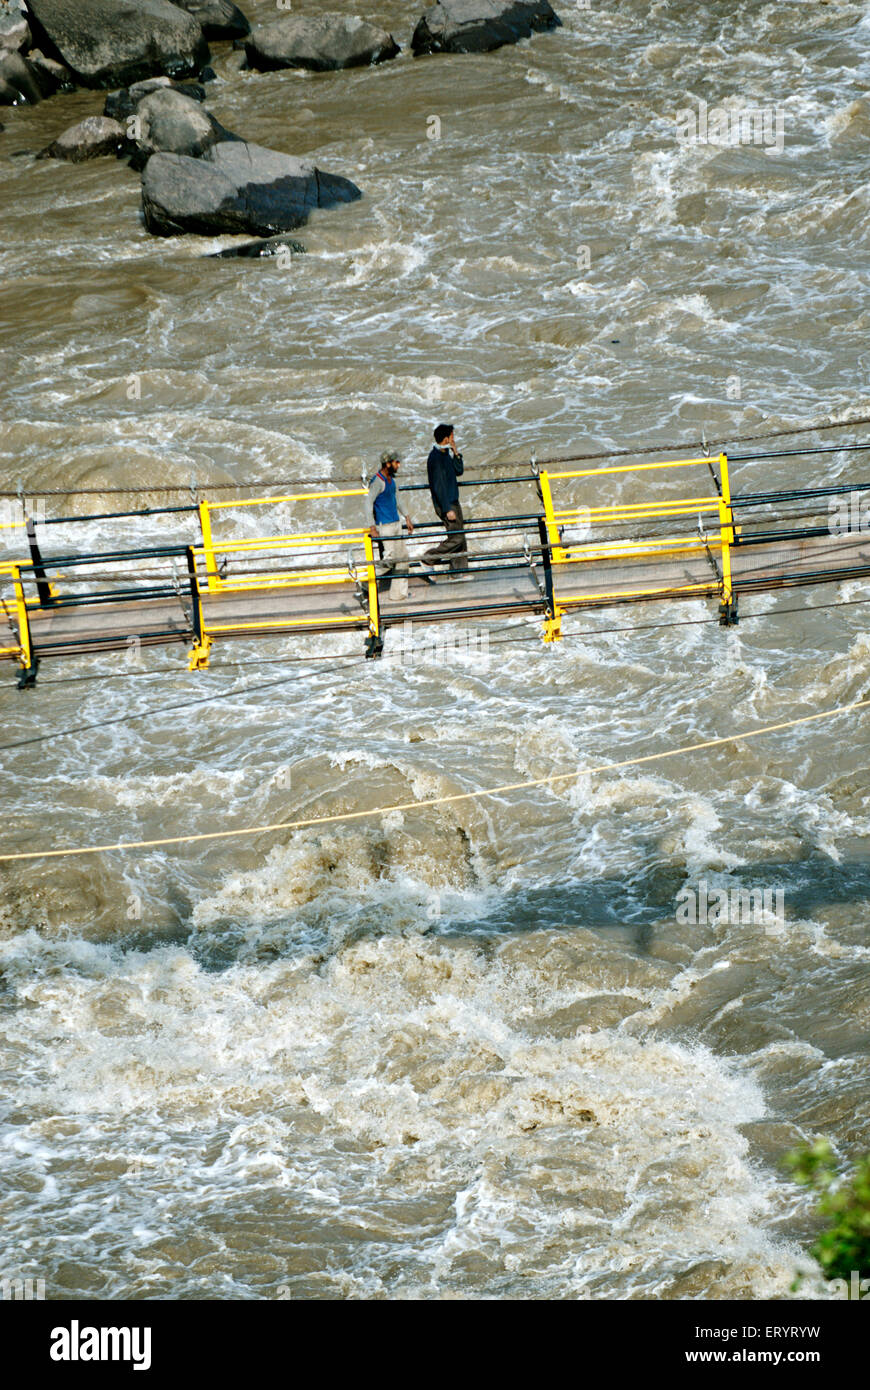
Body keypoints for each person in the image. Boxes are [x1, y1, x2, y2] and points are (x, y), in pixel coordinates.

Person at [366, 449, 414, 600]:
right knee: (390, 560)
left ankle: (398, 594)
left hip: (396, 523)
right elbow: (368, 504)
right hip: (385, 525)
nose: (398, 465)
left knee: (403, 557)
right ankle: (365, 582)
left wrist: (407, 517)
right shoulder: (377, 482)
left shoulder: (391, 480)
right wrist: (372, 527)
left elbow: (398, 498)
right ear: (388, 464)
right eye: (396, 462)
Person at [422, 424, 468, 572]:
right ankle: (428, 558)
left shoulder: (445, 453)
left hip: (453, 500)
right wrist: (447, 509)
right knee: (457, 538)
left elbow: (459, 471)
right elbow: (438, 486)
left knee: (460, 538)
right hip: (446, 503)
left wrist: (456, 453)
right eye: (452, 436)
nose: (454, 439)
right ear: (446, 438)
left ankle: (458, 572)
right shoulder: (435, 458)